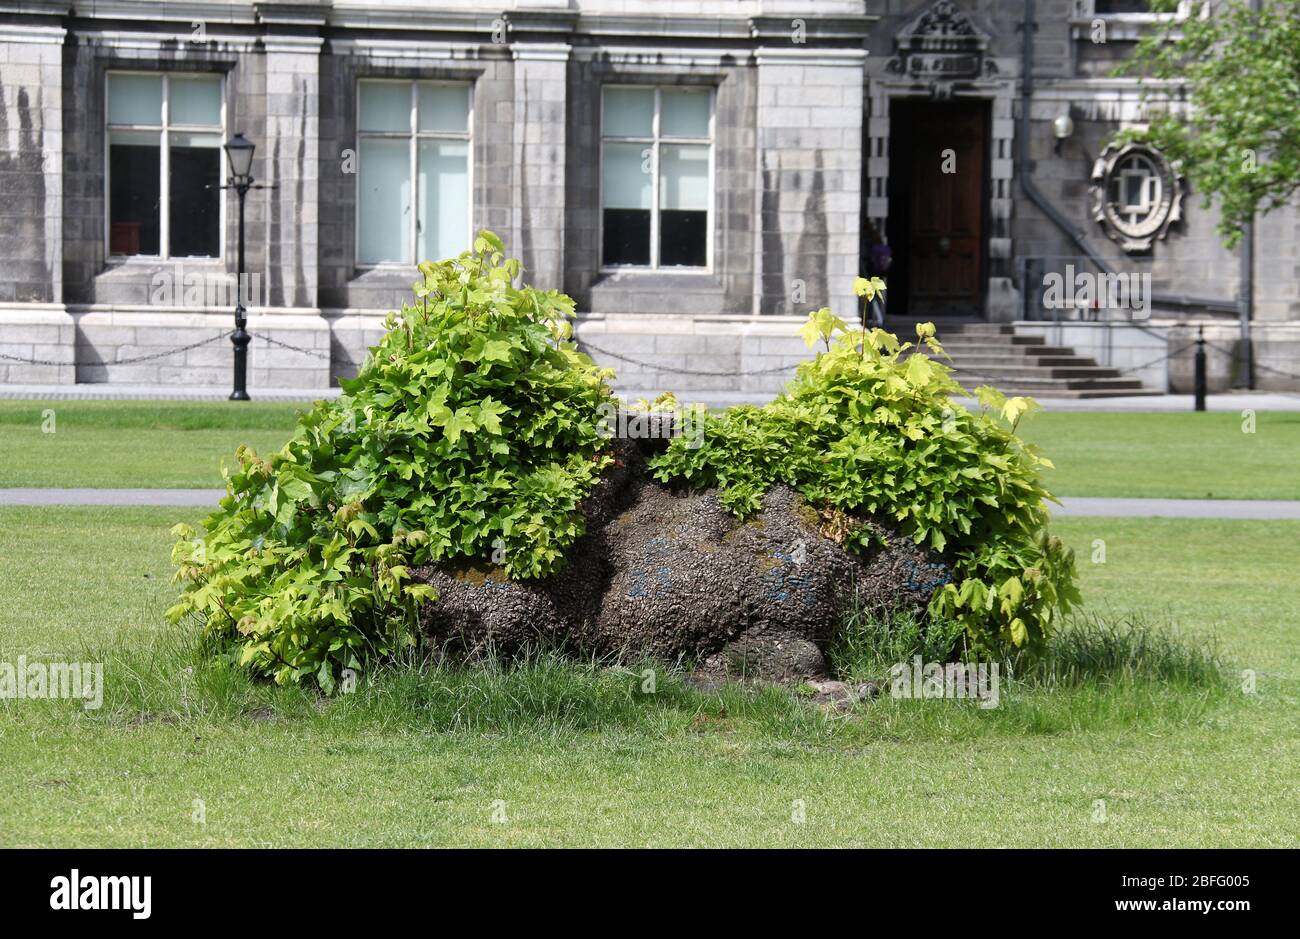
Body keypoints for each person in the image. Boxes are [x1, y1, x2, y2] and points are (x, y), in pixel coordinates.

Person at [864, 220, 892, 329]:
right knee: (877, 295)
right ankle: (878, 318)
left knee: (870, 297)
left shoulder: (871, 246)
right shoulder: (882, 246)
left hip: (871, 272)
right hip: (880, 273)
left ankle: (872, 318)